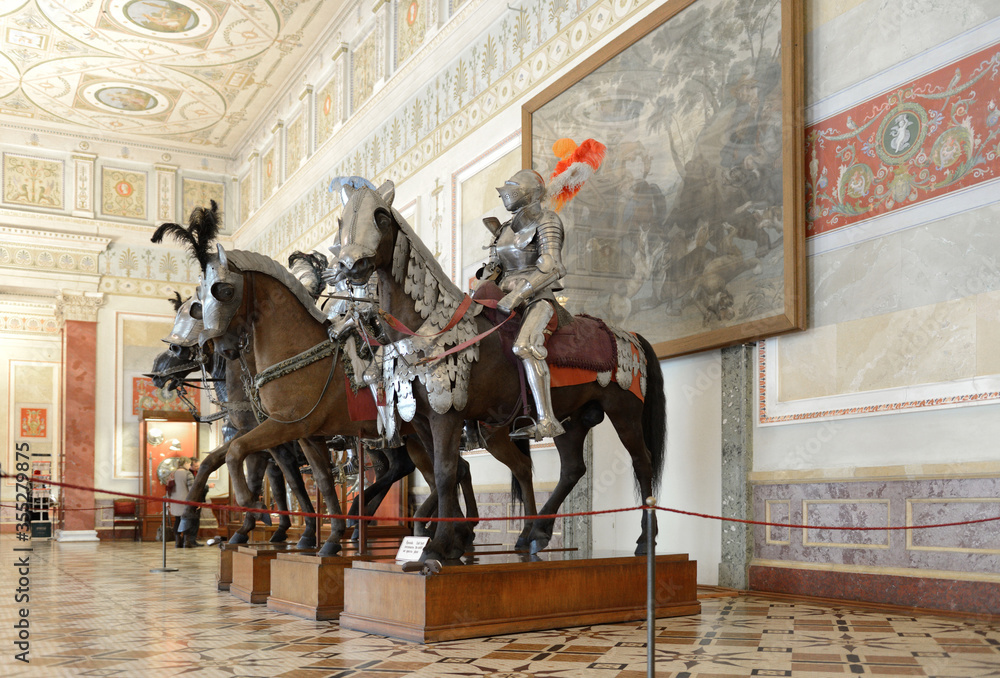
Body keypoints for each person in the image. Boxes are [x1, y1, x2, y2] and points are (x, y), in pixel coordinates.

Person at [482, 168, 567, 440]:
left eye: (512, 186)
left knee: (525, 346)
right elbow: (495, 267)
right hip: (502, 297)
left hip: (537, 297)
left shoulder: (547, 220)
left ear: (527, 193)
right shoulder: (505, 230)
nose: (504, 191)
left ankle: (546, 421)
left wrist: (517, 295)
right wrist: (485, 282)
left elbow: (552, 268)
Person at [167, 457, 200, 548]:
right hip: (185, 501)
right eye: (189, 464)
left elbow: (168, 489)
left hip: (174, 501)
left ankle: (177, 542)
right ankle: (186, 542)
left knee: (177, 520)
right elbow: (192, 489)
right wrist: (195, 502)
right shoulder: (188, 473)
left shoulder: (172, 474)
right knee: (186, 521)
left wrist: (168, 502)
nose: (190, 466)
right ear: (185, 463)